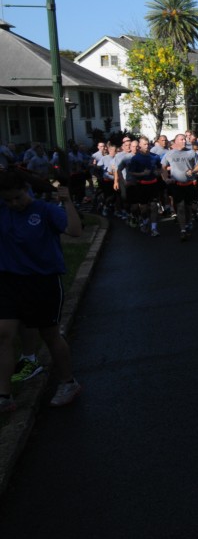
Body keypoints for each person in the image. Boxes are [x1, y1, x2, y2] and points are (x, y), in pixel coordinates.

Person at [0, 168, 83, 413]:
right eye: (7, 199)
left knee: (49, 335)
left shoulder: (44, 211)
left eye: (17, 197)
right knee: (3, 334)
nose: (13, 203)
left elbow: (75, 231)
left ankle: (69, 382)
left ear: (27, 190)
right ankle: (3, 396)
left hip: (42, 281)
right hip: (9, 281)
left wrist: (67, 202)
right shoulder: (3, 211)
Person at [161, 133, 198, 240]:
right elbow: (163, 166)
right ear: (176, 141)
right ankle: (183, 230)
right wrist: (166, 179)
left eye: (185, 139)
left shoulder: (191, 153)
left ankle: (188, 222)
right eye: (181, 139)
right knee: (180, 207)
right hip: (177, 185)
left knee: (188, 207)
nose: (184, 141)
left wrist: (193, 171)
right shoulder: (170, 154)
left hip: (189, 185)